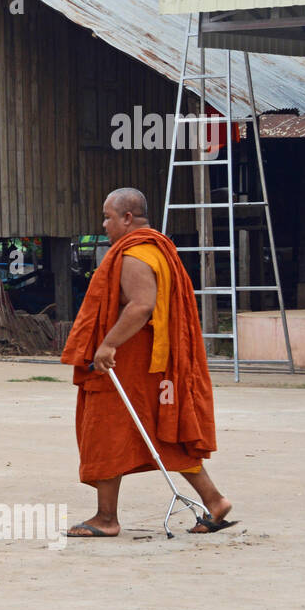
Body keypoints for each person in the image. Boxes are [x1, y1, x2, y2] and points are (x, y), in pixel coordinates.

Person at [59, 188, 234, 537]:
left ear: (127, 218)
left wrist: (108, 344)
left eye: (108, 217)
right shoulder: (159, 250)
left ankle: (106, 519)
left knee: (105, 429)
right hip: (155, 362)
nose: (104, 224)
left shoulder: (135, 255)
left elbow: (141, 305)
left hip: (131, 362)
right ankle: (214, 502)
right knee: (162, 433)